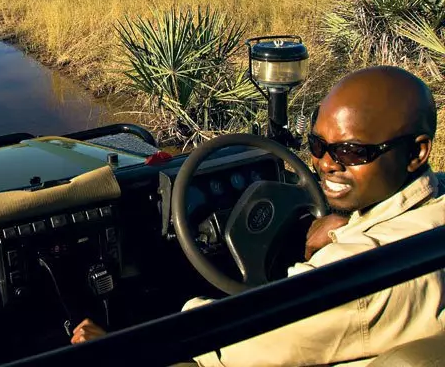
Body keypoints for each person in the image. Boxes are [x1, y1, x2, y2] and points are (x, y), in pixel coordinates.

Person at [71, 66, 445, 366]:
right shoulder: (430, 217)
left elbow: (221, 345)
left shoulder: (355, 278)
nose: (325, 164)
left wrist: (118, 346)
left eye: (351, 151)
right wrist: (342, 230)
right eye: (317, 145)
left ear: (416, 153)